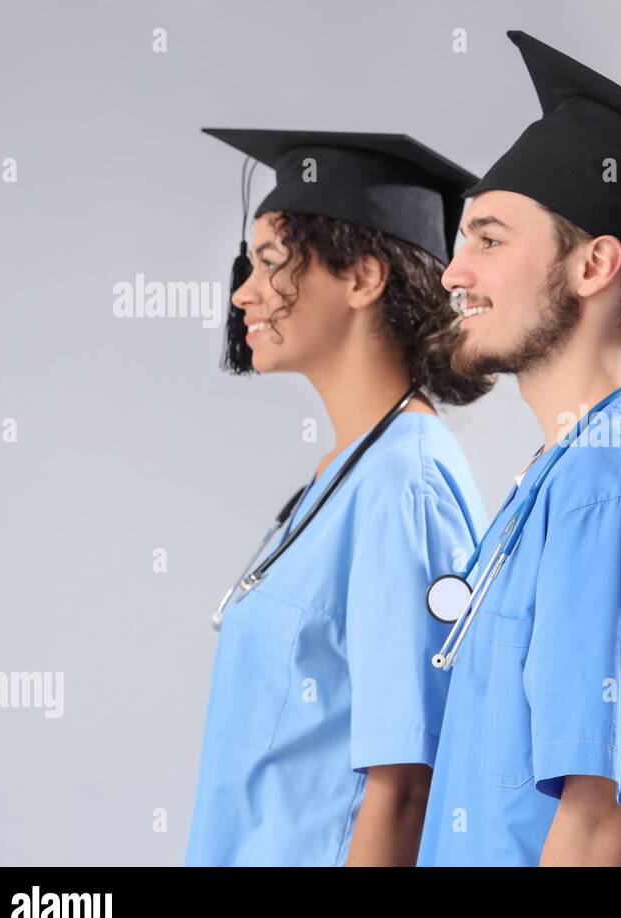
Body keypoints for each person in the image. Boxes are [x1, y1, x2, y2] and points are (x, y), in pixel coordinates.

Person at [415, 31, 621, 867]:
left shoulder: (613, 484)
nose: (454, 273)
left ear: (595, 264)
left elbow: (605, 826)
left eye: (488, 239)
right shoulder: (569, 469)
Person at [186, 129, 492, 866]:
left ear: (362, 279)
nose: (243, 293)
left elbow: (406, 783)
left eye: (269, 263)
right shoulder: (346, 475)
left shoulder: (402, 485)